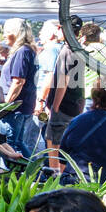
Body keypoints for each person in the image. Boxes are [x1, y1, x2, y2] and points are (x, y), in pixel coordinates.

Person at [38, 19, 90, 174]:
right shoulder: (78, 49)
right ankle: (59, 174)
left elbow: (63, 80)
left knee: (56, 143)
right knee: (59, 141)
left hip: (65, 104)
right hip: (75, 102)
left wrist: (55, 105)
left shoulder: (67, 50)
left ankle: (57, 176)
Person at [0, 18, 40, 158]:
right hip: (22, 105)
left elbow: (18, 81)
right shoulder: (28, 50)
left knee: (10, 144)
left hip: (15, 107)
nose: (4, 35)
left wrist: (6, 104)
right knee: (18, 143)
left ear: (16, 33)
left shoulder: (22, 51)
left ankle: (20, 174)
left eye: (7, 32)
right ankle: (32, 172)